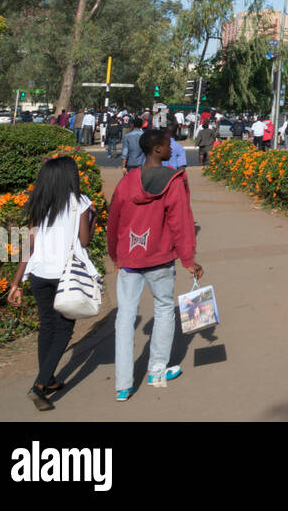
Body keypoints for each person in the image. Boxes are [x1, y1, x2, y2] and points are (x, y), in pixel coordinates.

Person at [107, 129, 203, 401]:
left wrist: (115, 255)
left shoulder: (127, 181)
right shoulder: (173, 181)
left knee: (125, 317)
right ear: (157, 149)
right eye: (168, 144)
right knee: (163, 309)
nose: (172, 148)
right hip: (160, 257)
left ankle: (123, 385)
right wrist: (188, 259)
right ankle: (157, 370)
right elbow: (180, 222)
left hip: (129, 258)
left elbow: (114, 219)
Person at [6, 156, 95, 411]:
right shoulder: (80, 202)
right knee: (64, 329)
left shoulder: (39, 204)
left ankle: (49, 379)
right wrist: (92, 220)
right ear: (70, 177)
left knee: (46, 325)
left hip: (38, 274)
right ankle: (39, 385)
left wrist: (15, 283)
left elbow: (30, 245)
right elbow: (84, 241)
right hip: (65, 275)